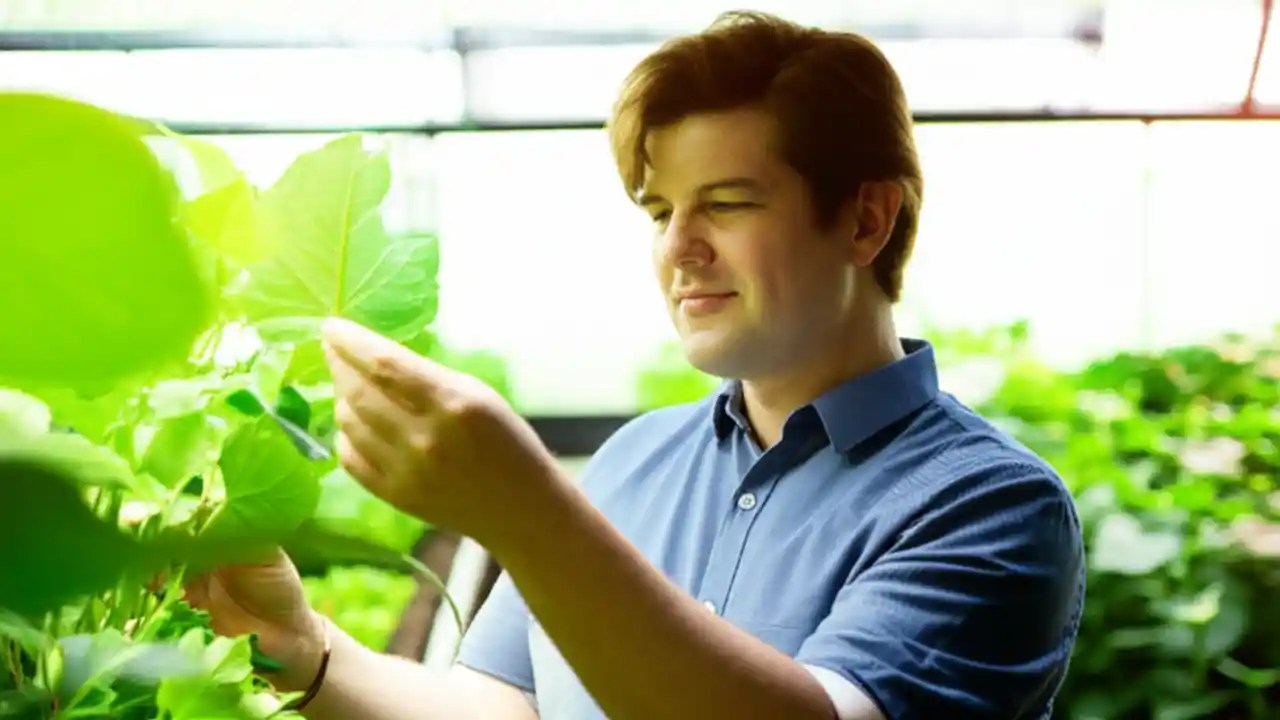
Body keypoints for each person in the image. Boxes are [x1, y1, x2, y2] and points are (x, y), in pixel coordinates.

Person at [185, 11, 1085, 719]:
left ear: (865, 221)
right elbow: (504, 707)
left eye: (727, 204)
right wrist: (301, 645)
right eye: (660, 211)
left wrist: (524, 513)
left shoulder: (990, 507)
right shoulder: (631, 463)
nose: (680, 249)